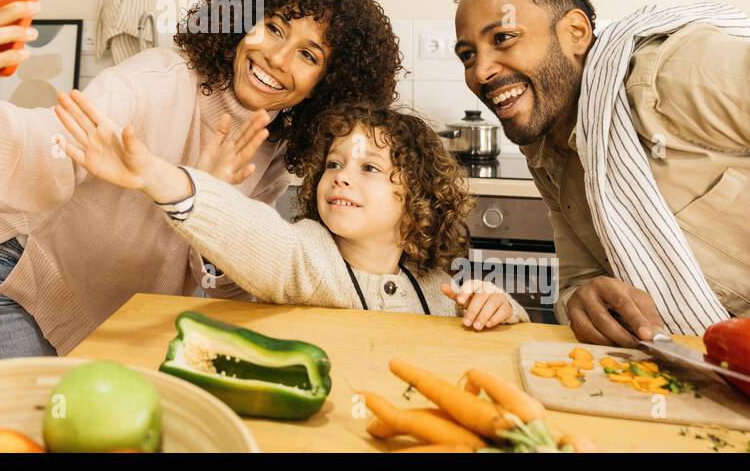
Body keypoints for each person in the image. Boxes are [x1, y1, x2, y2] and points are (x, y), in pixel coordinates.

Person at [0, 0, 403, 359]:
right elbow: (53, 144)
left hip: (113, 301)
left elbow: (226, 275)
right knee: (33, 428)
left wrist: (213, 203)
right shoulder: (155, 82)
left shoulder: (274, 144)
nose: (278, 58)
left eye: (308, 55)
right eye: (274, 28)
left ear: (327, 84)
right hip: (13, 268)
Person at [451, 0, 750, 345]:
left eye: (503, 38)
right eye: (468, 55)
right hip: (724, 379)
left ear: (575, 32)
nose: (481, 71)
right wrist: (583, 302)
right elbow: (580, 278)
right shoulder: (549, 149)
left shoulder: (670, 75)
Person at [53, 90, 527, 327]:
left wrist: (502, 310)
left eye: (370, 169)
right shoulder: (306, 255)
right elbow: (257, 237)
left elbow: (503, 338)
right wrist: (157, 176)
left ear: (417, 199)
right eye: (335, 163)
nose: (342, 174)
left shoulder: (438, 288)